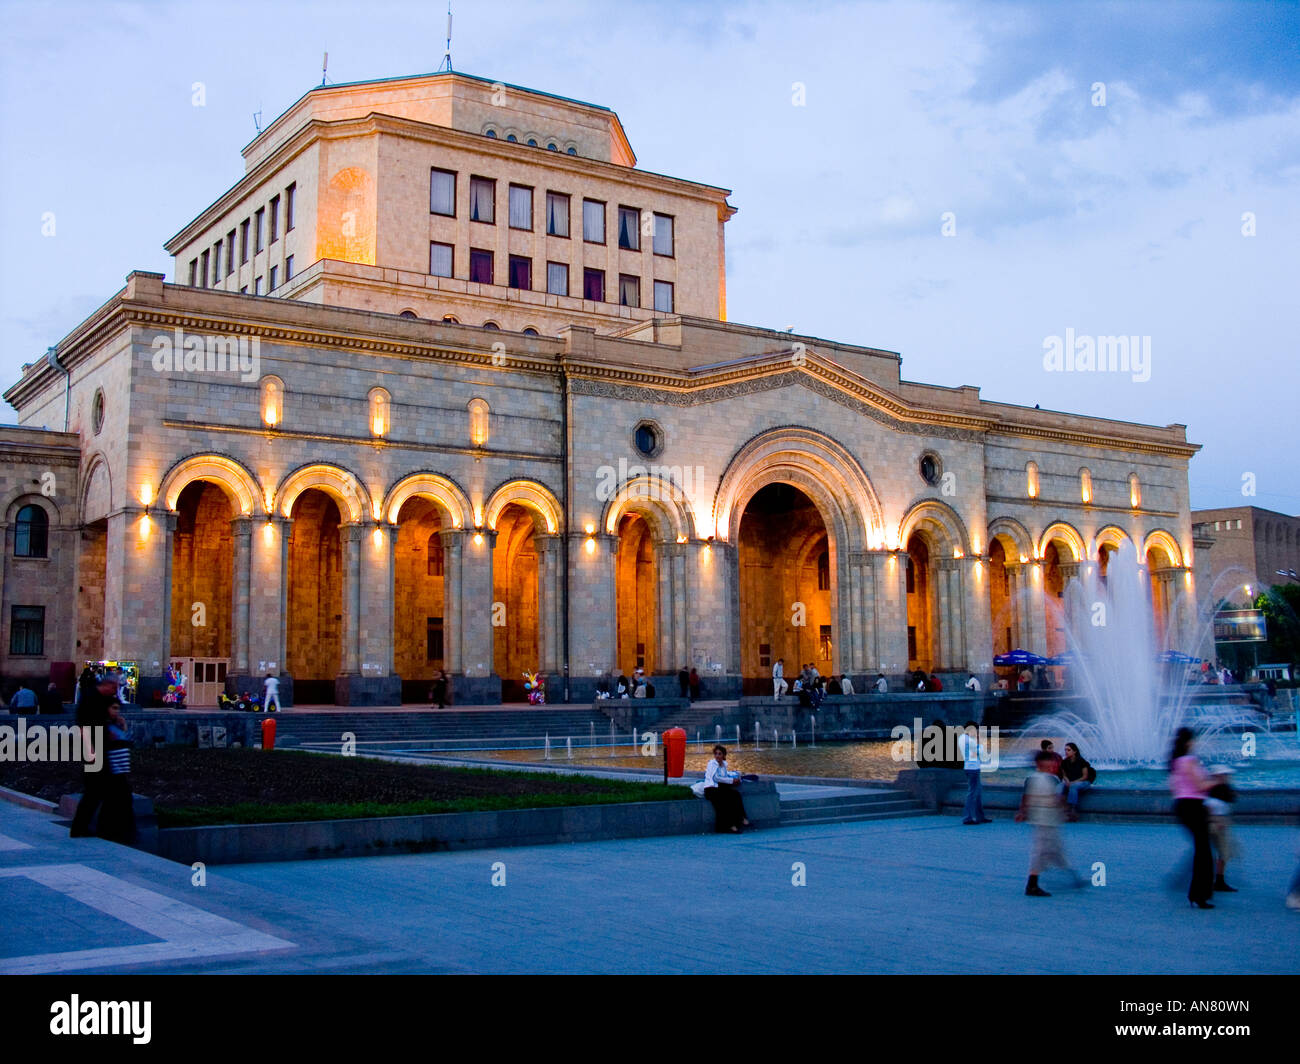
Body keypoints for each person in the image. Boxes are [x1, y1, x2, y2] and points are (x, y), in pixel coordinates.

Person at [1016, 749, 1080, 896]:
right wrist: (1065, 810)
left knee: (1055, 849)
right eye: (1050, 761)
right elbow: (1056, 798)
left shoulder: (1036, 778)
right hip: (1045, 819)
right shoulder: (1049, 779)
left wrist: (1022, 812)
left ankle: (1070, 876)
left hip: (1045, 819)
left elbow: (1026, 797)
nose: (1053, 764)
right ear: (1041, 763)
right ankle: (1032, 884)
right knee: (1041, 851)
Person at [1169, 727, 1215, 908]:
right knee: (1204, 851)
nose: (1196, 742)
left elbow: (1174, 787)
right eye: (1194, 739)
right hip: (1194, 807)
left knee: (1201, 849)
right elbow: (1200, 785)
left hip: (1182, 806)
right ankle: (1199, 894)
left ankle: (1198, 893)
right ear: (1188, 742)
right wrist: (1218, 781)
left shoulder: (1175, 762)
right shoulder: (1189, 761)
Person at [69, 673, 120, 837]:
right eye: (114, 687)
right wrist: (90, 749)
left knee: (102, 788)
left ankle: (96, 826)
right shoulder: (90, 697)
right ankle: (80, 827)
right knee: (94, 789)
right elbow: (82, 724)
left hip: (101, 746)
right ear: (108, 685)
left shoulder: (103, 698)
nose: (116, 691)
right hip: (92, 747)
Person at [98, 702, 136, 844]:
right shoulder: (105, 727)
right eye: (113, 708)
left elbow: (128, 742)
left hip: (120, 771)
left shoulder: (116, 726)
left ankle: (117, 832)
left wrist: (124, 727)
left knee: (119, 801)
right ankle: (114, 833)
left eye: (118, 709)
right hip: (111, 772)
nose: (117, 711)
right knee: (116, 801)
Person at [1205, 766, 1239, 893]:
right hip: (1215, 826)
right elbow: (1207, 809)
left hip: (1220, 825)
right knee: (1221, 853)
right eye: (1223, 775)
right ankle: (1217, 881)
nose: (1226, 777)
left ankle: (1218, 880)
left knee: (1222, 853)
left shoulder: (1224, 790)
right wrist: (1215, 820)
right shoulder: (1211, 790)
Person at [702, 745, 749, 833]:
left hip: (719, 788)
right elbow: (716, 778)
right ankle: (730, 826)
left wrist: (736, 777)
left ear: (724, 755)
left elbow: (724, 776)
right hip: (710, 789)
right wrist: (731, 781)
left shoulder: (723, 765)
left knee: (736, 795)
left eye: (719, 754)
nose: (717, 756)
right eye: (716, 754)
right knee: (724, 800)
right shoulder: (712, 764)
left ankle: (742, 818)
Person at [957, 721, 991, 824]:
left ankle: (979, 816)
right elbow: (981, 752)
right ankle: (967, 817)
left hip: (969, 767)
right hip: (973, 768)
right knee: (972, 793)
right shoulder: (969, 740)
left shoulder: (962, 738)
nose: (977, 732)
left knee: (977, 792)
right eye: (976, 730)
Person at [1059, 742, 1096, 821]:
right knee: (1059, 786)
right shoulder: (1064, 762)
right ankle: (1056, 807)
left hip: (1084, 782)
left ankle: (1072, 810)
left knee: (1073, 787)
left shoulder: (1081, 761)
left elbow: (1085, 776)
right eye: (1065, 750)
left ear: (1074, 751)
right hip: (1071, 782)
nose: (1066, 752)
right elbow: (1064, 775)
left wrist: (1073, 782)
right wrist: (1067, 781)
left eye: (1068, 750)